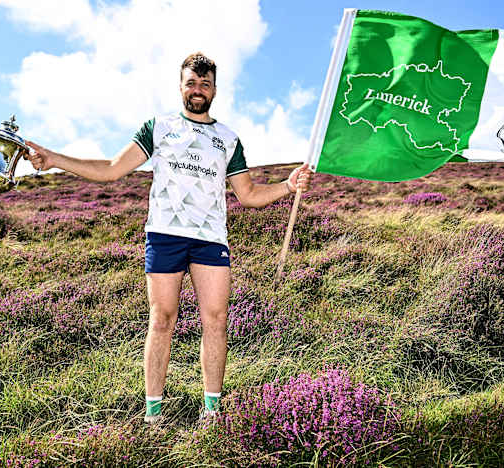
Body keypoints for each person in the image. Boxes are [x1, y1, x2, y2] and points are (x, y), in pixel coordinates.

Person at [24, 52, 312, 423]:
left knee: (217, 319)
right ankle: (153, 416)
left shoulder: (228, 139)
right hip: (164, 235)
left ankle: (211, 413)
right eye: (191, 82)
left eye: (205, 84)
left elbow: (249, 195)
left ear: (215, 90)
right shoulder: (157, 128)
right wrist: (55, 160)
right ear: (180, 86)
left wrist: (288, 186)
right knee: (162, 319)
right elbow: (112, 170)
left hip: (210, 239)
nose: (197, 89)